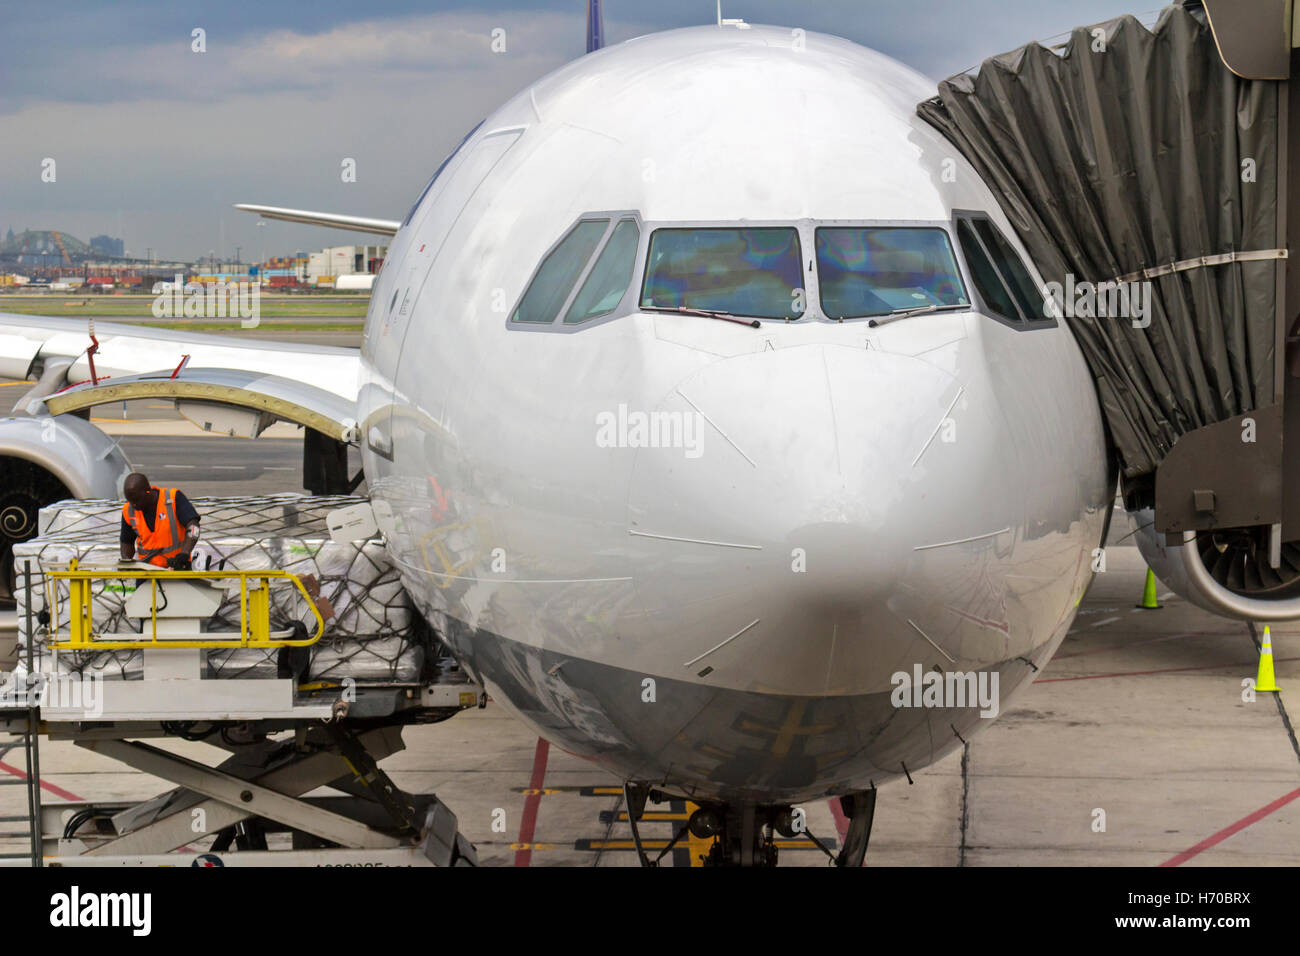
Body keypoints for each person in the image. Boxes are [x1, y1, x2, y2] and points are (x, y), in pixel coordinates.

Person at [119, 473, 201, 569]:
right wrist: (126, 560)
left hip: (177, 567)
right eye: (130, 501)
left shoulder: (173, 498)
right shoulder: (128, 511)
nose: (134, 505)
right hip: (146, 572)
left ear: (148, 491)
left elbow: (193, 526)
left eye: (137, 500)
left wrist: (185, 552)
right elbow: (126, 542)